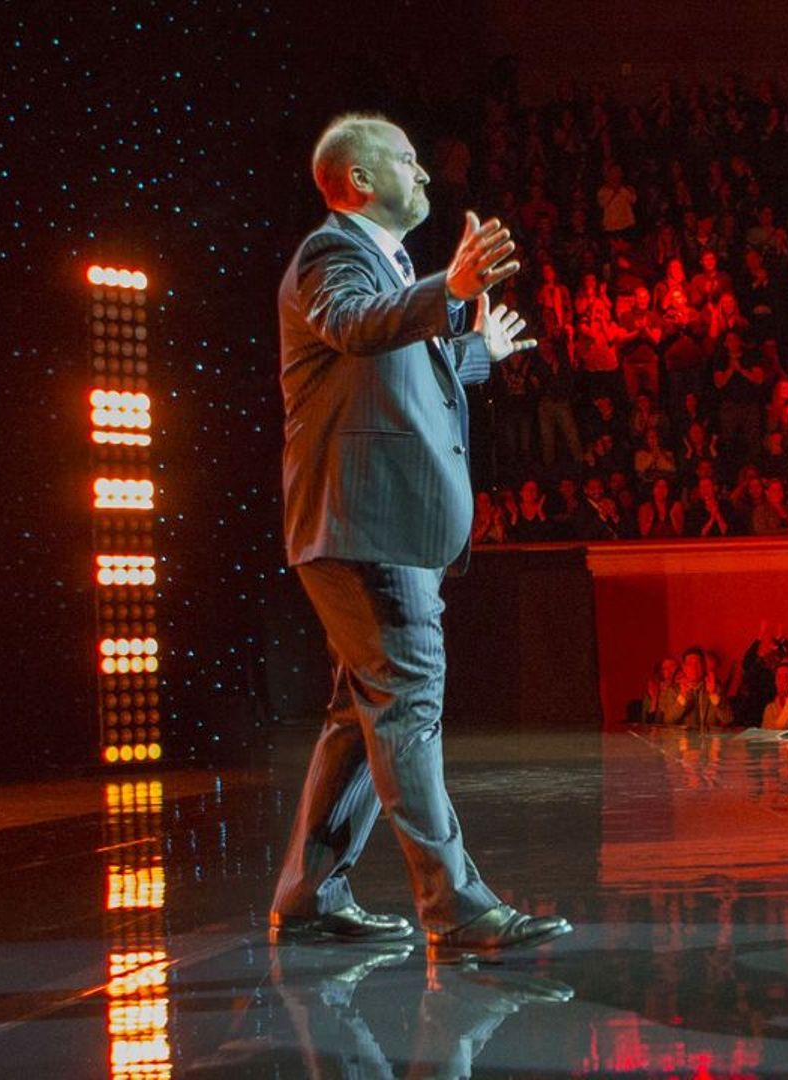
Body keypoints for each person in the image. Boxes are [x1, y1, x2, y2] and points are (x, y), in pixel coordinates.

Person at [273, 114, 570, 959]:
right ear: (361, 180)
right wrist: (451, 285)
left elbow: (403, 367)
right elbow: (359, 325)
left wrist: (477, 348)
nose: (429, 177)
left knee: (360, 714)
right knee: (407, 705)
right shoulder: (333, 256)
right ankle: (460, 909)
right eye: (410, 161)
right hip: (367, 522)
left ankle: (309, 895)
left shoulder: (387, 266)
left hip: (373, 521)